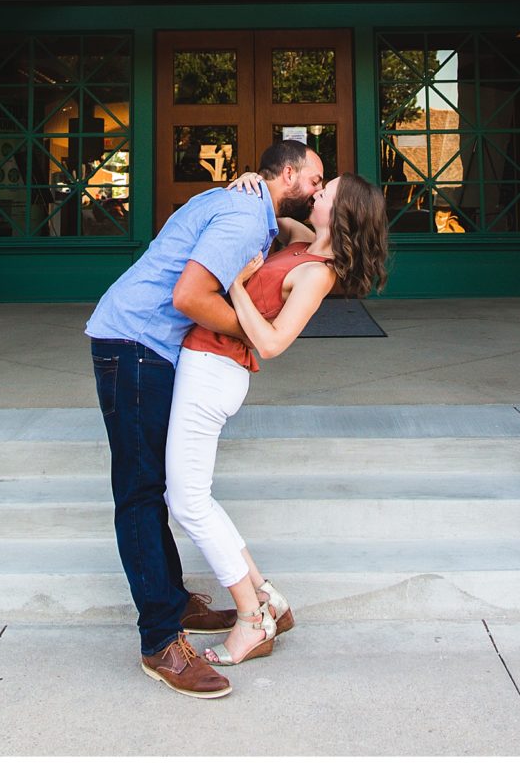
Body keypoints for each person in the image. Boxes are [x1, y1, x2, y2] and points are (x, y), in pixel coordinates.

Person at [85, 138, 324, 699]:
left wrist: (253, 184)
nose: (316, 190)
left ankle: (173, 600)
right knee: (141, 492)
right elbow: (191, 296)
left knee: (159, 483)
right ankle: (160, 641)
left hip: (141, 343)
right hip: (134, 343)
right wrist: (255, 335)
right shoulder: (244, 216)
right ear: (287, 175)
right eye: (314, 179)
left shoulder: (251, 209)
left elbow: (311, 237)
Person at [164, 171, 390, 666]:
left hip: (217, 372)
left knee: (187, 502)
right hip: (203, 362)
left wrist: (237, 286)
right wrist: (250, 179)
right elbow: (274, 213)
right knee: (191, 497)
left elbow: (272, 342)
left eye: (325, 192)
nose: (316, 193)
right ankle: (265, 595)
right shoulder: (304, 238)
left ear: (343, 209)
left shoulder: (318, 272)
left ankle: (252, 619)